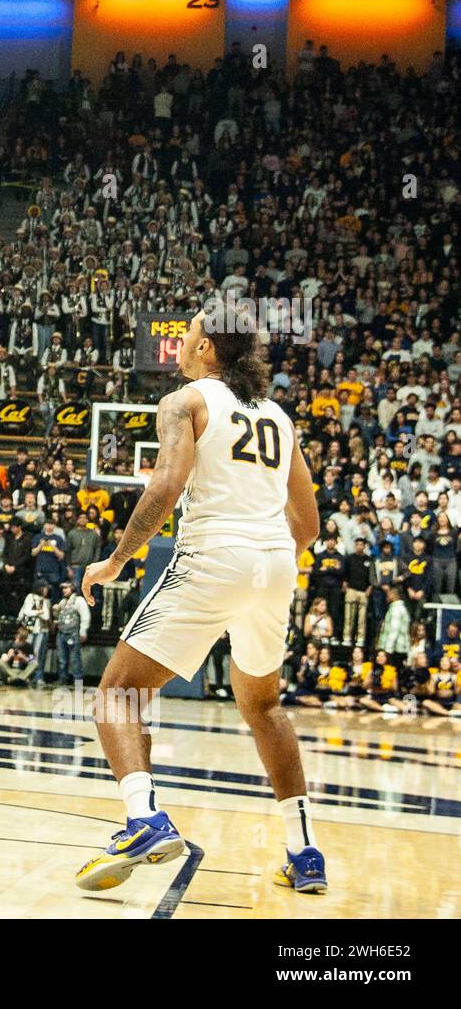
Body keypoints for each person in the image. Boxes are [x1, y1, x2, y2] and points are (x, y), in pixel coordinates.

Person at [77, 305, 328, 895]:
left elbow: (166, 485)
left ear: (208, 348)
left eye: (188, 336)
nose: (182, 346)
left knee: (119, 693)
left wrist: (116, 561)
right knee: (264, 708)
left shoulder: (186, 402)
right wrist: (262, 562)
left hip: (216, 556)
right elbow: (309, 523)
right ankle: (305, 851)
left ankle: (143, 821)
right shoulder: (278, 416)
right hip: (276, 565)